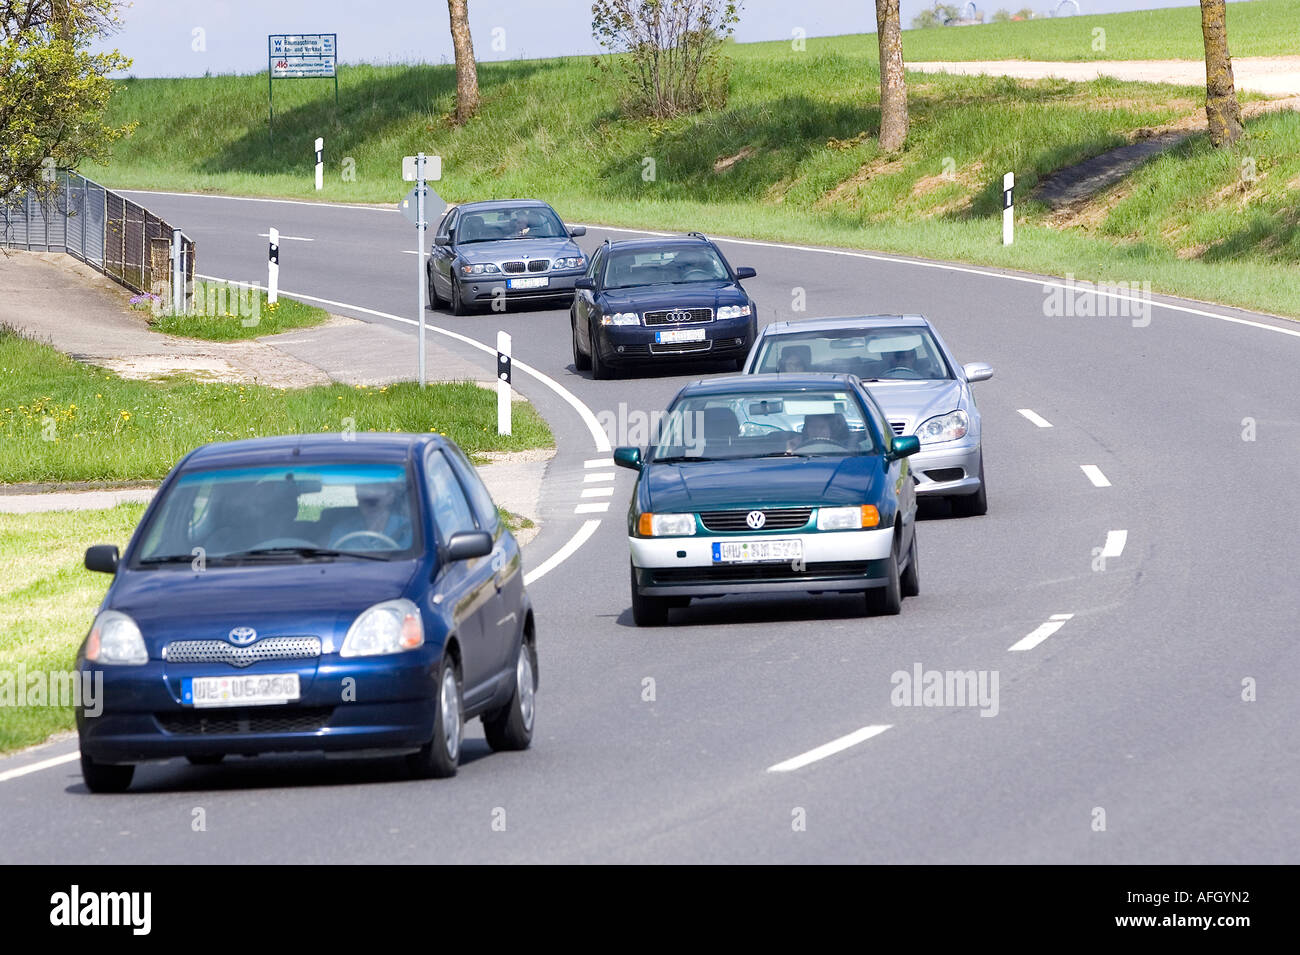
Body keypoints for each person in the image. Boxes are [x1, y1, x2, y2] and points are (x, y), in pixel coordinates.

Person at [331, 483, 412, 550]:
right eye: (365, 500)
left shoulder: (409, 529)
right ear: (358, 499)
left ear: (390, 497)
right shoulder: (342, 530)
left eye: (375, 501)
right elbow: (331, 560)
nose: (371, 506)